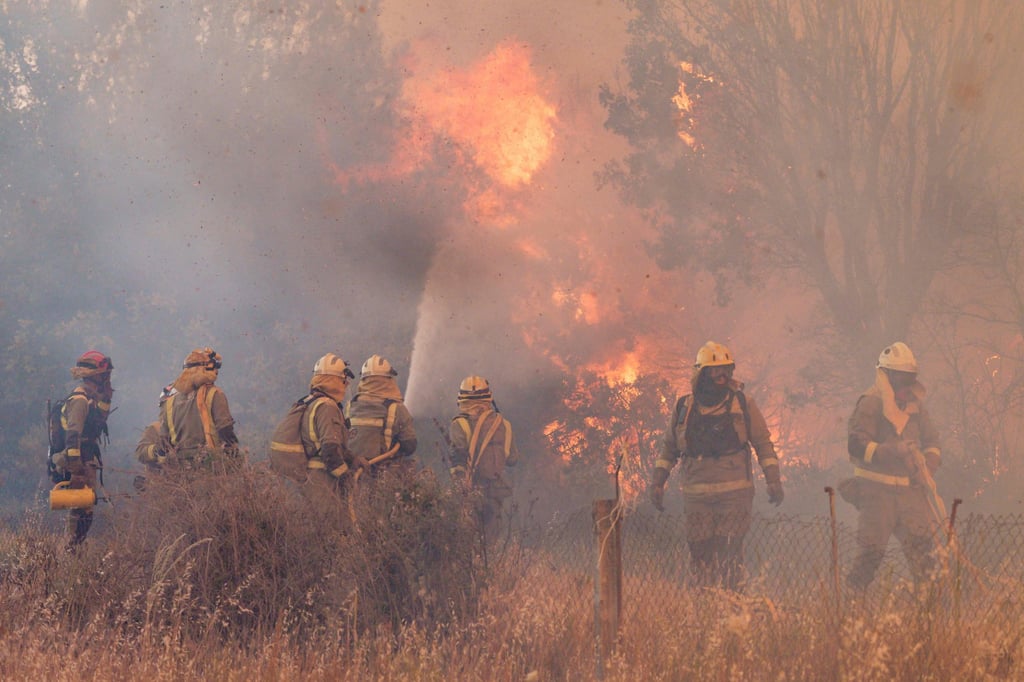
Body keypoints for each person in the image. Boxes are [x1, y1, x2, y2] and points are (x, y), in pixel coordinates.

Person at [649, 341, 783, 590]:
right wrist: (658, 482)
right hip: (696, 497)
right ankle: (706, 605)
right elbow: (669, 448)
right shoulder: (684, 407)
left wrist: (773, 479)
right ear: (701, 374)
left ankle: (732, 604)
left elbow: (763, 443)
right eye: (715, 370)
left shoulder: (743, 403)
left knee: (729, 555)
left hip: (735, 495)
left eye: (726, 369)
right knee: (700, 557)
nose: (722, 375)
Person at [842, 341, 943, 591]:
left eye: (909, 378)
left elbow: (933, 442)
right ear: (886, 376)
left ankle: (928, 607)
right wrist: (889, 451)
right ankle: (852, 602)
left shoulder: (915, 406)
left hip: (911, 493)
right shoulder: (871, 403)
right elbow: (856, 445)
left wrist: (927, 468)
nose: (906, 385)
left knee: (925, 557)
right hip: (877, 495)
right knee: (870, 555)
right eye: (900, 378)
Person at [269, 353, 368, 504]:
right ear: (334, 380)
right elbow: (330, 450)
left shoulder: (311, 402)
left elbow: (329, 445)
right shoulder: (327, 407)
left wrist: (353, 459)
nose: (346, 385)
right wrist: (345, 476)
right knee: (332, 518)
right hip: (323, 481)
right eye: (343, 381)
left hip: (311, 480)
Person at [449, 375, 519, 543]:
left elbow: (457, 460)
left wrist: (459, 490)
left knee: (467, 539)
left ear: (462, 398)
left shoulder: (460, 424)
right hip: (495, 491)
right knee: (490, 541)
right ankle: (491, 560)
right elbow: (512, 459)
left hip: (471, 490)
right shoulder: (504, 424)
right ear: (488, 397)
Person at [57, 350, 115, 547]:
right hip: (79, 463)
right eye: (104, 375)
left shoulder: (91, 398)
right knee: (79, 508)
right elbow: (72, 438)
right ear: (95, 376)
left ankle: (76, 548)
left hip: (86, 460)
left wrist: (106, 398)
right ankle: (70, 548)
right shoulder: (80, 400)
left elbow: (98, 421)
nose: (107, 378)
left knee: (86, 507)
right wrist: (77, 471)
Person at [157, 347, 239, 470]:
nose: (216, 371)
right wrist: (235, 459)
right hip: (211, 466)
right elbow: (225, 429)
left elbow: (164, 441)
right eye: (214, 367)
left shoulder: (169, 402)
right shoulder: (214, 394)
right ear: (203, 369)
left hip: (181, 470)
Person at [346, 355, 417, 473]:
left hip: (353, 471)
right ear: (388, 379)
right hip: (383, 473)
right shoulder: (397, 408)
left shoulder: (351, 406)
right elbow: (410, 445)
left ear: (363, 380)